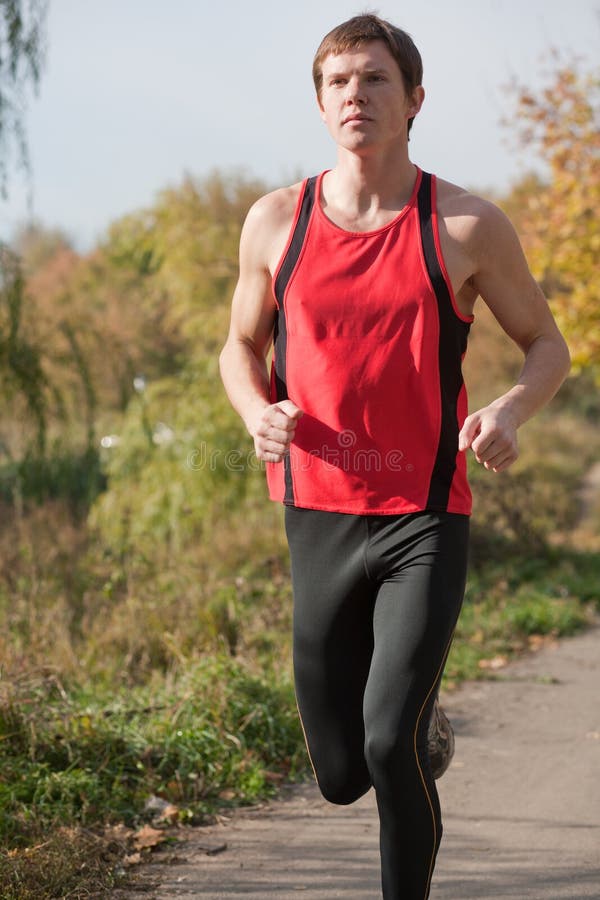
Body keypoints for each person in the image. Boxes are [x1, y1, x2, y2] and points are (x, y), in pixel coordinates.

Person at [219, 13, 570, 899]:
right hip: (318, 516)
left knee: (386, 741)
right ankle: (426, 737)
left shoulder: (464, 225)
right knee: (340, 770)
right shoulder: (275, 222)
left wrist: (509, 411)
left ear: (414, 101)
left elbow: (547, 347)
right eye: (338, 82)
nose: (355, 96)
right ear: (320, 103)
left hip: (424, 515)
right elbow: (237, 346)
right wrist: (256, 409)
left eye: (375, 80)